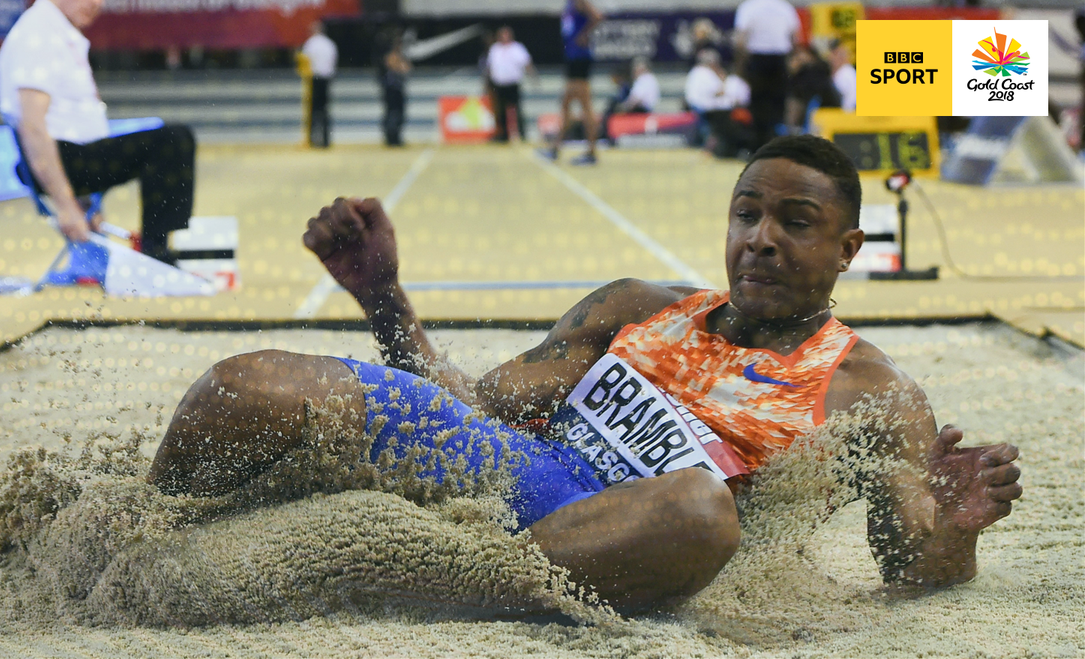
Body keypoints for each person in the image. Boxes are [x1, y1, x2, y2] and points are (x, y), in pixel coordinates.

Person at [148, 135, 1022, 611]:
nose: (760, 238)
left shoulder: (876, 394)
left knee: (698, 505)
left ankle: (402, 578)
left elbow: (912, 565)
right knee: (247, 381)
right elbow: (473, 406)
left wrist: (960, 529)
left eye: (795, 221)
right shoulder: (637, 305)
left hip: (643, 536)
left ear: (847, 248)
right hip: (508, 471)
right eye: (747, 213)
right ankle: (138, 531)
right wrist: (384, 299)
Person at [0, 0, 195, 263]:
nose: (97, 1)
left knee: (172, 140)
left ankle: (155, 246)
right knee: (173, 141)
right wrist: (66, 206)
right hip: (66, 157)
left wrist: (89, 206)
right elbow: (32, 127)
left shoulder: (59, 32)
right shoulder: (37, 35)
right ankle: (155, 251)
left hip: (79, 156)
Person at [734, 0, 802, 149]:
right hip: (779, 61)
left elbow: (741, 41)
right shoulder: (785, 7)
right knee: (778, 103)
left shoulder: (748, 7)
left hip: (758, 61)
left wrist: (740, 66)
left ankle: (759, 145)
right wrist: (793, 62)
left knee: (758, 104)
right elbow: (795, 38)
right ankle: (777, 143)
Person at [544, 0, 603, 165]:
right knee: (566, 103)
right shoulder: (571, 1)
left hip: (579, 59)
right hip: (572, 59)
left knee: (585, 106)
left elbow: (597, 16)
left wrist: (584, 34)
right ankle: (555, 148)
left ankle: (591, 152)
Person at [685, 49, 754, 158]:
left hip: (697, 105)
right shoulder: (705, 73)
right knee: (723, 121)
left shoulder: (695, 71)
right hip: (705, 107)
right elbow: (719, 91)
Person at [485, 26, 533, 143]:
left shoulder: (517, 48)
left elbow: (526, 63)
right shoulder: (495, 49)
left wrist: (532, 76)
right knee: (500, 111)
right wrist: (488, 83)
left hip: (513, 84)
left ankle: (522, 134)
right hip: (499, 85)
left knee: (517, 110)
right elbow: (490, 67)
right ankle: (503, 135)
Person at [301, 21, 338, 148]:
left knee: (314, 110)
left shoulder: (310, 44)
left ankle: (312, 139)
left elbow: (305, 62)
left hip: (314, 79)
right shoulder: (330, 44)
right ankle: (326, 139)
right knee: (325, 110)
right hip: (326, 79)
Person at [381, 37, 410, 147]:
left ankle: (396, 137)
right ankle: (391, 138)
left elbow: (407, 68)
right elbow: (399, 67)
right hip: (392, 90)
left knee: (399, 114)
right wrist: (400, 64)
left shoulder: (399, 57)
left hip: (398, 89)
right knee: (393, 113)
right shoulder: (392, 56)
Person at [829, 42, 857, 113]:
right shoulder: (841, 71)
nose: (833, 59)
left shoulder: (846, 72)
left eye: (837, 55)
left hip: (848, 112)